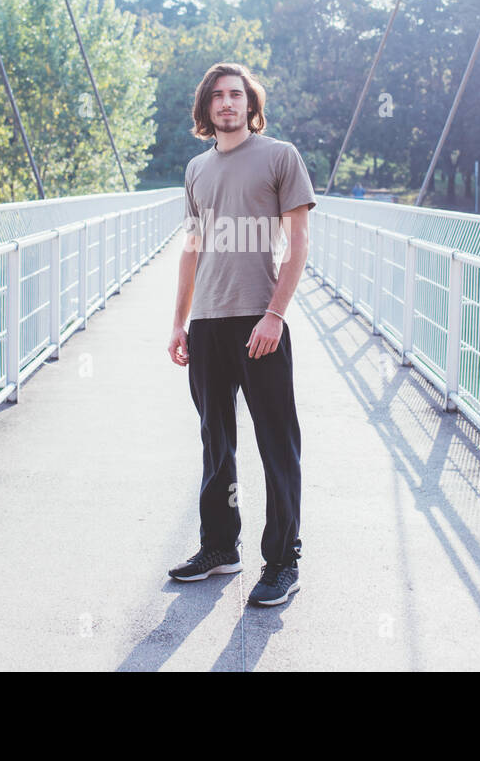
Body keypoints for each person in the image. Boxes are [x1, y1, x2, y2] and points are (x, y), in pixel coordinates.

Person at [165, 62, 316, 606]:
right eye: (217, 97)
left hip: (260, 321)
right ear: (206, 108)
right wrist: (180, 322)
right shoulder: (196, 169)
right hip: (207, 324)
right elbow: (192, 250)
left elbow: (299, 244)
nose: (227, 103)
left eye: (236, 95)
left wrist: (274, 315)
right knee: (216, 442)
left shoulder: (280, 157)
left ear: (250, 104)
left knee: (277, 444)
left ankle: (282, 561)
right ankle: (219, 547)